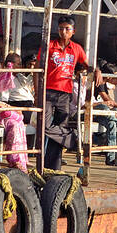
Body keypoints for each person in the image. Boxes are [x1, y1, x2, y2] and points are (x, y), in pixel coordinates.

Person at [42, 16, 90, 170]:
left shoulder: (76, 48)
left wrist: (96, 71)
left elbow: (87, 64)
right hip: (48, 91)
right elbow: (38, 68)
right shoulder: (49, 46)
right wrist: (38, 92)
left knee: (60, 126)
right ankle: (72, 138)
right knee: (45, 126)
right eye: (61, 28)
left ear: (73, 31)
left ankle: (54, 167)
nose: (64, 31)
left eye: (67, 29)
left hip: (65, 93)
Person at [91, 64, 117, 166]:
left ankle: (111, 158)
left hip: (100, 114)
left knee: (112, 124)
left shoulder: (105, 83)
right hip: (91, 110)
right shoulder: (99, 82)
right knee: (106, 108)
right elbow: (106, 99)